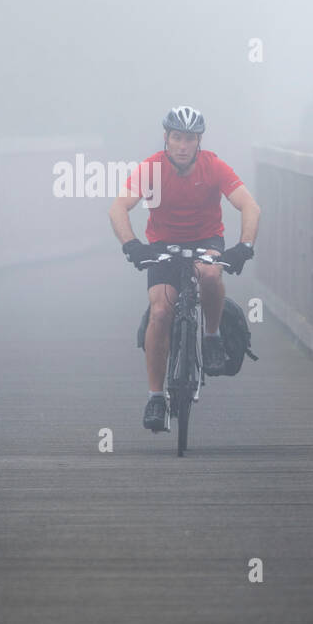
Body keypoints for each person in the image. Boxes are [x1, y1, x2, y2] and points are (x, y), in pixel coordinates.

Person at [108, 106, 261, 432]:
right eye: (176, 137)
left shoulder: (214, 166)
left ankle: (212, 336)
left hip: (205, 239)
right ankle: (154, 398)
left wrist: (244, 246)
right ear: (166, 138)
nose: (182, 145)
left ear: (198, 142)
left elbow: (249, 205)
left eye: (189, 139)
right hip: (162, 244)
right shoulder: (151, 169)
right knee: (161, 311)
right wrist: (132, 245)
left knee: (208, 273)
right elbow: (119, 207)